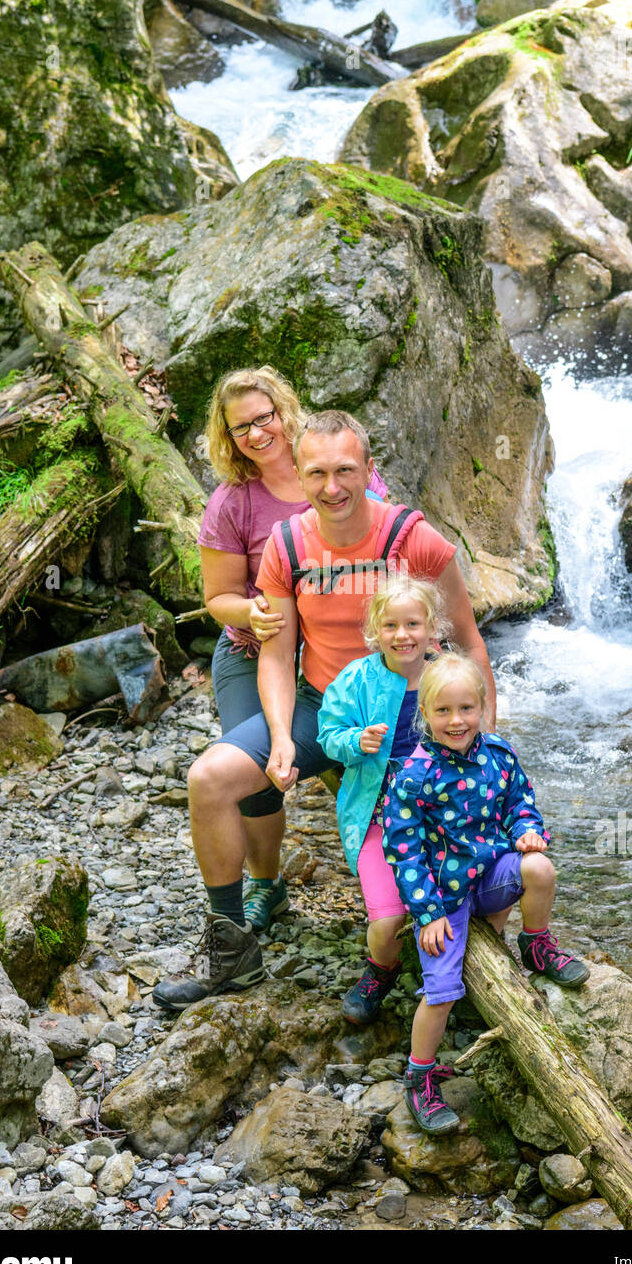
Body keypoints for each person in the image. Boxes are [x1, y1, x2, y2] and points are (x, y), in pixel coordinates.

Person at [153, 410, 496, 1011]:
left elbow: (467, 642)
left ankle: (473, 939)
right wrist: (282, 737)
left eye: (345, 471)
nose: (332, 487)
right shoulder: (287, 545)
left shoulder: (413, 539)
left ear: (368, 469)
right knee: (208, 779)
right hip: (323, 707)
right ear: (301, 475)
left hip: (419, 711)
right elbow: (276, 653)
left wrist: (484, 744)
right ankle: (232, 950)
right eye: (317, 473)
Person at [196, 366, 388, 935]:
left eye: (264, 418)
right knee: (252, 779)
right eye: (240, 429)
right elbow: (217, 597)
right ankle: (264, 885)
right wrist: (250, 611)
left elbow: (385, 543)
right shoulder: (232, 503)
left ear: (284, 412)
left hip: (336, 657)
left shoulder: (333, 471)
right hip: (256, 650)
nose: (256, 434)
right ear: (227, 438)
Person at [382, 652, 588, 1136]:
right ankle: (420, 1074)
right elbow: (403, 851)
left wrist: (527, 831)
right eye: (443, 711)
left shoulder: (498, 754)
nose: (456, 721)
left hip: (490, 877)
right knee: (441, 990)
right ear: (425, 714)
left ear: (482, 707)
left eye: (467, 709)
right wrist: (429, 912)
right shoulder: (413, 775)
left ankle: (536, 943)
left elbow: (521, 803)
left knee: (540, 868)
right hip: (443, 896)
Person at [317, 576, 449, 1025]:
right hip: (379, 816)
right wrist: (356, 740)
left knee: (469, 890)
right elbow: (327, 737)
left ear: (432, 628)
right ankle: (382, 969)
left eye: (413, 623)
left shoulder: (445, 675)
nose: (402, 635)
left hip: (441, 816)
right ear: (375, 630)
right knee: (388, 919)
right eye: (390, 625)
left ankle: (453, 972)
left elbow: (476, 731)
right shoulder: (358, 678)